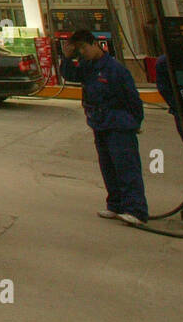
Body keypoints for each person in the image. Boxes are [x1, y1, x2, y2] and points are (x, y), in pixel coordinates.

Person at [61, 30, 148, 225]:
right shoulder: (87, 66)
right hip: (99, 123)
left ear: (94, 44)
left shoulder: (114, 69)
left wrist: (136, 122)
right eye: (79, 49)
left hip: (118, 124)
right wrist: (66, 58)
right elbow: (70, 75)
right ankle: (116, 205)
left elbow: (133, 98)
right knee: (108, 167)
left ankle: (136, 210)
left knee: (126, 167)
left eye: (84, 47)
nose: (82, 52)